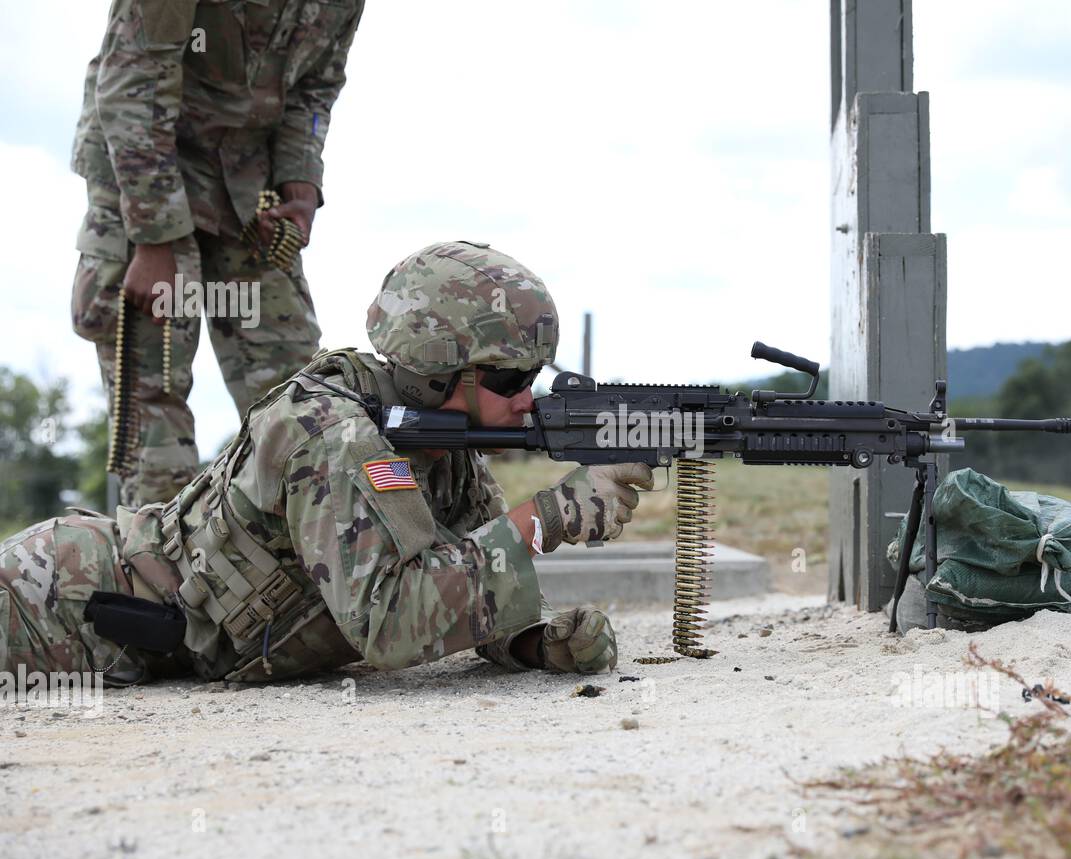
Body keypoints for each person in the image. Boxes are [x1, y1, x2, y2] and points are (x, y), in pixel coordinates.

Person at [1, 241, 653, 685]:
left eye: (534, 377)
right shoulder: (332, 433)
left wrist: (532, 643)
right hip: (61, 602)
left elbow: (458, 567)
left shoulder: (438, 445)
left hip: (147, 637)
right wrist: (551, 516)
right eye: (510, 380)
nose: (525, 400)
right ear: (434, 370)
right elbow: (392, 624)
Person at [70, 0, 365, 507]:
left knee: (299, 392)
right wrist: (153, 238)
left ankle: (304, 566)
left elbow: (316, 88)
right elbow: (132, 80)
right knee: (153, 392)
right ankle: (157, 575)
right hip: (147, 172)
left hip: (247, 180)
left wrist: (300, 184)